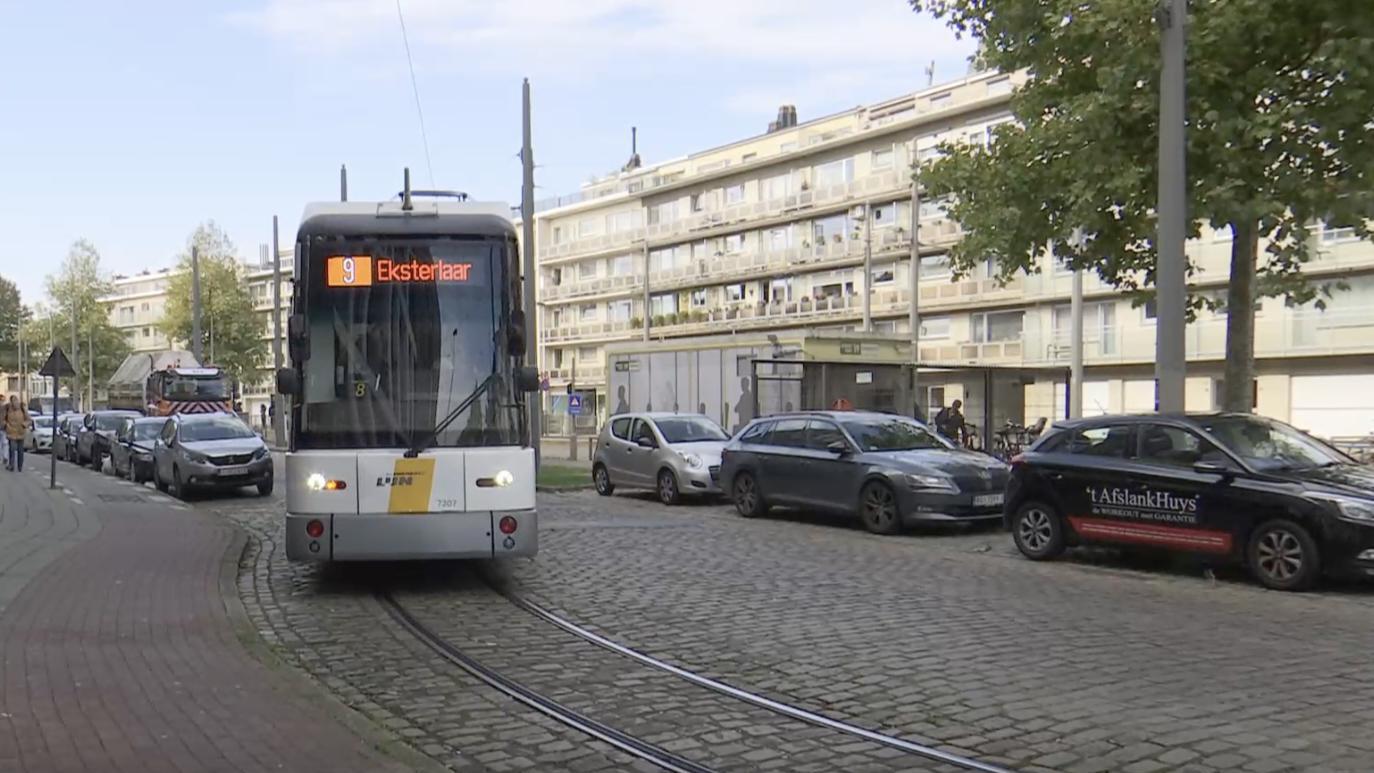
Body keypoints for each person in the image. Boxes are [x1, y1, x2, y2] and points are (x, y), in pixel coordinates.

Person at [4, 395, 34, 472]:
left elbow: (29, 420)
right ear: (11, 402)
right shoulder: (7, 409)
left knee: (20, 451)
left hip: (21, 432)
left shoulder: (22, 409)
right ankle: (11, 465)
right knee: (12, 449)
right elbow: (3, 419)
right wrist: (6, 425)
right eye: (13, 401)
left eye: (16, 401)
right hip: (11, 432)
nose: (15, 403)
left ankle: (20, 466)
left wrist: (24, 425)